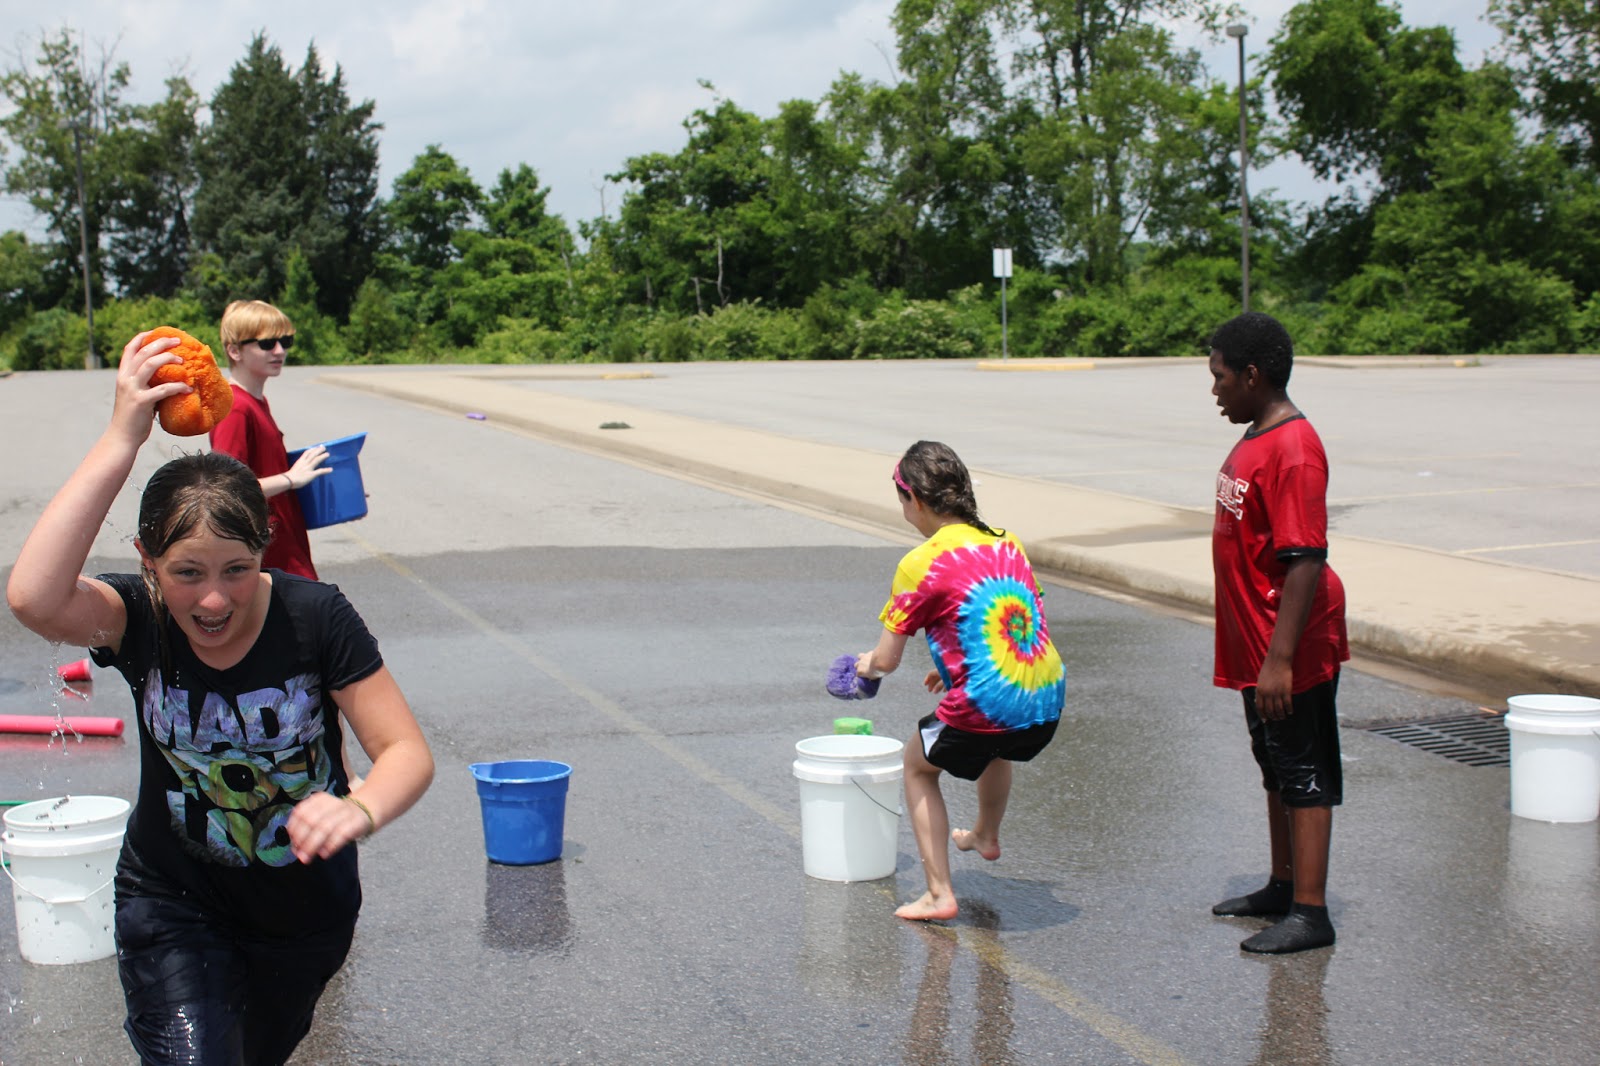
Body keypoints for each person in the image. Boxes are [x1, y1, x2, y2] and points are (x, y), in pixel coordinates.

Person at [7, 330, 435, 1064]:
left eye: (236, 570)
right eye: (186, 572)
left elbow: (404, 751)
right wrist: (121, 436)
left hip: (304, 916)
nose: (212, 599)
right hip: (172, 901)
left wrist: (360, 808)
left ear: (265, 549)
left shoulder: (314, 617)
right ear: (147, 562)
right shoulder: (136, 617)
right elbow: (34, 597)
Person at [855, 440, 1066, 921]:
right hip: (1045, 698)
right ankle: (986, 835)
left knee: (917, 765)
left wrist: (863, 667)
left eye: (902, 500)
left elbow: (886, 661)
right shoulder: (1006, 540)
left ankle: (938, 893)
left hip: (990, 704)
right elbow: (1015, 619)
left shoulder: (920, 562)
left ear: (918, 501)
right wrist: (950, 666)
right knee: (996, 746)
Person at [1206, 311, 1348, 954]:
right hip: (1255, 642)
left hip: (1288, 643)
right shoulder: (1256, 434)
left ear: (1253, 376)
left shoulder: (1294, 448)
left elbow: (1306, 557)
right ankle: (1284, 884)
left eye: (1221, 377)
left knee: (1303, 767)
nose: (1214, 390)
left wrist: (1280, 660)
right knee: (1274, 764)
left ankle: (1311, 913)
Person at [210, 299, 329, 580]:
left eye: (285, 341)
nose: (280, 351)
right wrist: (291, 479)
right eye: (267, 344)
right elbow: (228, 489)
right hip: (268, 557)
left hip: (284, 546)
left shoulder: (255, 401)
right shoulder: (235, 407)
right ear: (234, 350)